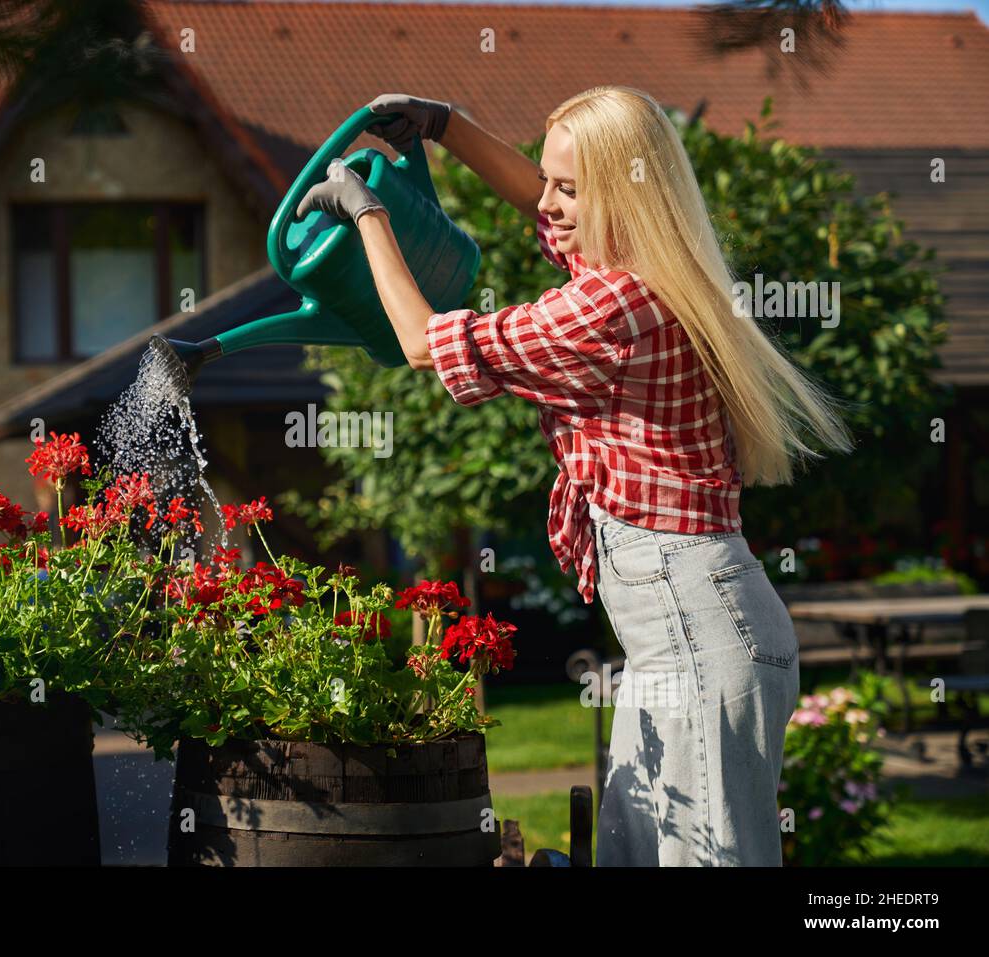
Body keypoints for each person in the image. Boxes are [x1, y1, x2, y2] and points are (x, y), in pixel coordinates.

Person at [297, 87, 854, 866]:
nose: (548, 204)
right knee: (627, 856)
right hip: (688, 638)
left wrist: (367, 214)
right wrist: (447, 126)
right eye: (549, 181)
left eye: (570, 188)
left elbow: (426, 344)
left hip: (699, 643)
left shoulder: (611, 307)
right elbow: (541, 196)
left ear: (621, 194)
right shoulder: (648, 263)